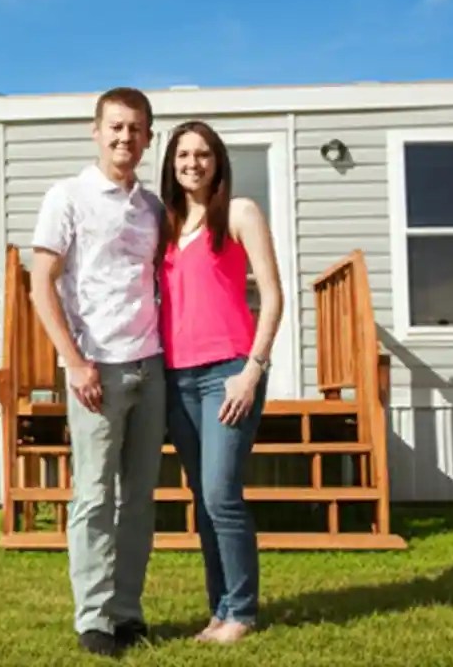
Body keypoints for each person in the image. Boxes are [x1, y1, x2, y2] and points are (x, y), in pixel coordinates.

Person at [29, 87, 167, 658]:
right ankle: (93, 618)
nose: (124, 138)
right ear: (96, 130)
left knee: (139, 499)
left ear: (148, 138)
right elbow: (42, 282)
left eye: (135, 129)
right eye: (114, 127)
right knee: (92, 498)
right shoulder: (68, 197)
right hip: (95, 370)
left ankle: (127, 613)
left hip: (150, 363)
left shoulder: (153, 207)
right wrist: (73, 360)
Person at [157, 120, 284, 644]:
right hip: (176, 378)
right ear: (172, 163)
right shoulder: (164, 226)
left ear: (218, 161)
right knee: (203, 499)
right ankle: (220, 609)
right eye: (184, 155)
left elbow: (274, 297)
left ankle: (243, 613)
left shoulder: (238, 213)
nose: (193, 163)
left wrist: (252, 370)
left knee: (221, 494)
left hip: (229, 373)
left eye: (203, 154)